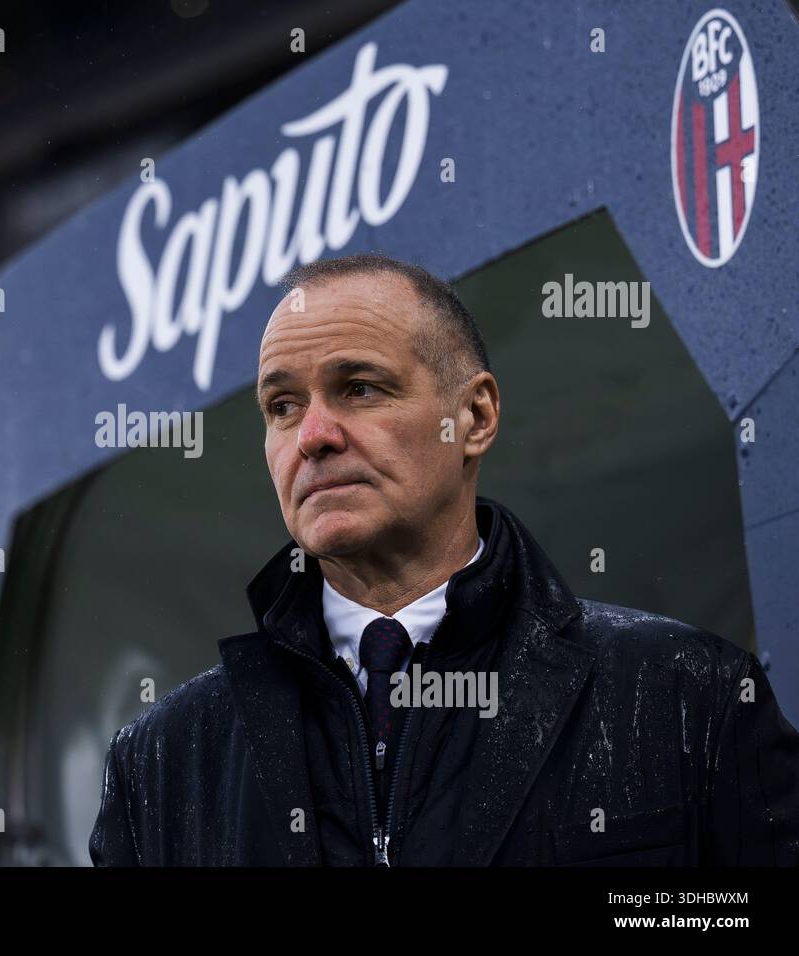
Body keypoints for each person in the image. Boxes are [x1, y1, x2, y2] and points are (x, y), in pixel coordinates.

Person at [88, 253, 799, 866]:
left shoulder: (690, 695)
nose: (314, 435)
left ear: (476, 417)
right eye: (281, 405)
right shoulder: (160, 766)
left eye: (359, 388)